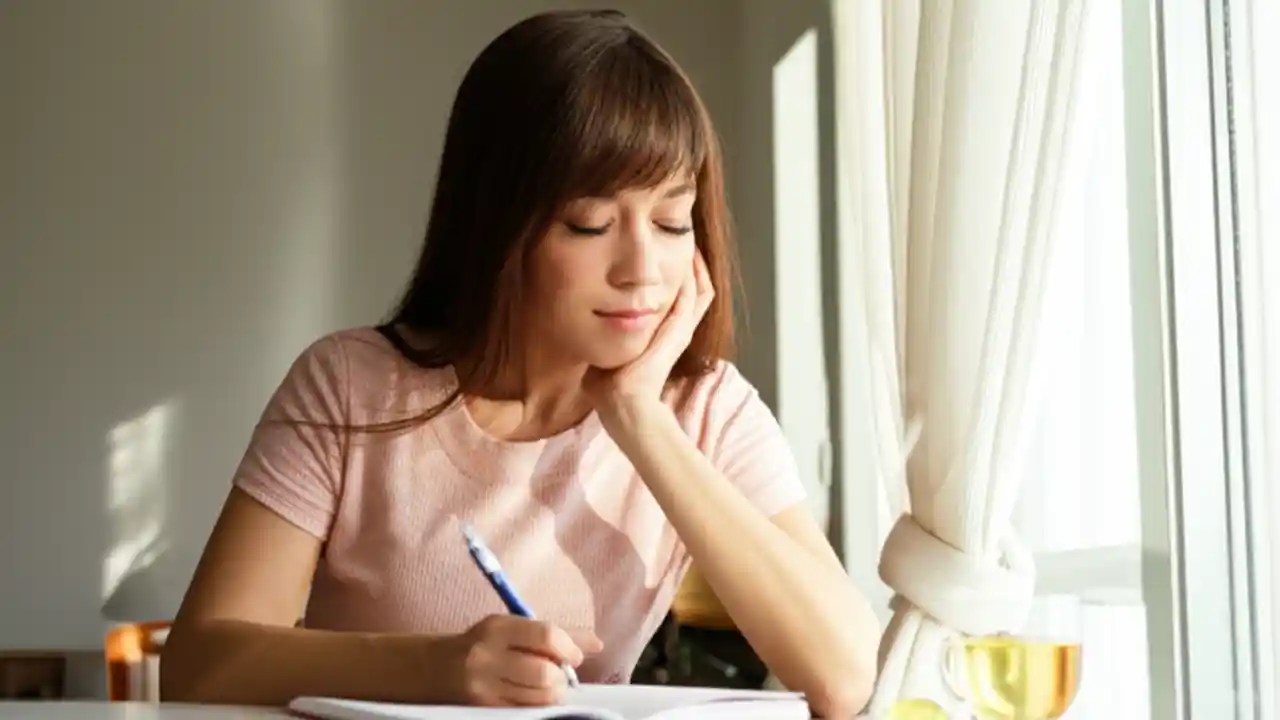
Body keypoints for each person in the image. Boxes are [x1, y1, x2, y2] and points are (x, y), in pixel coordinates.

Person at [160, 9, 880, 719]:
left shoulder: (706, 409)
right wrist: (434, 668)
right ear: (497, 225)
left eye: (670, 221)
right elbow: (199, 663)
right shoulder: (352, 386)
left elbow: (842, 679)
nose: (642, 270)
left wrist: (639, 420)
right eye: (590, 224)